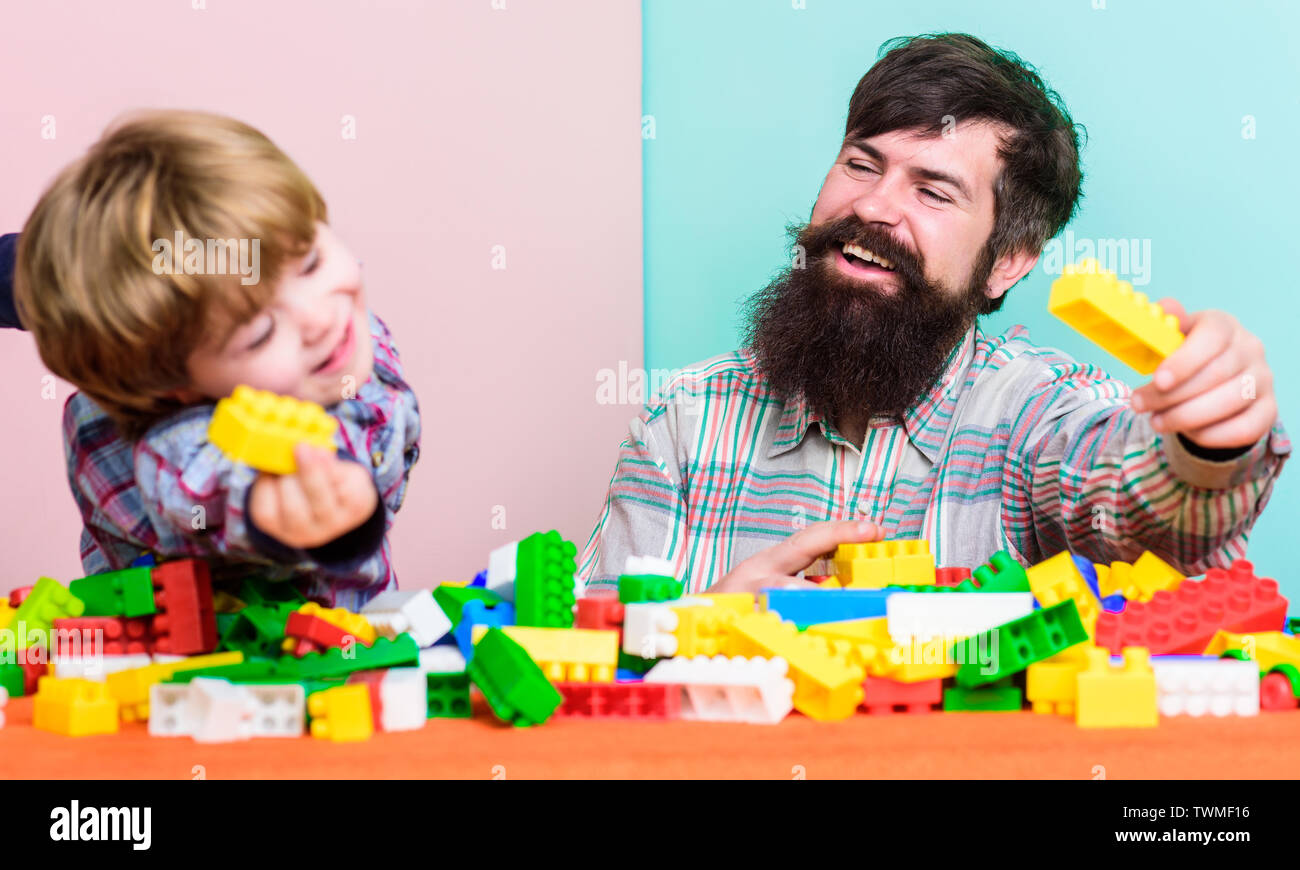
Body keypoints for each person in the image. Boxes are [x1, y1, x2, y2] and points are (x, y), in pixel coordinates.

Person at [578, 33, 1288, 596]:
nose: (873, 207)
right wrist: (695, 632)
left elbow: (1154, 513)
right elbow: (583, 687)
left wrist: (1210, 446)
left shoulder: (1034, 414)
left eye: (934, 192)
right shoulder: (685, 420)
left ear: (1008, 261)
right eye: (861, 163)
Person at [12, 110, 421, 608]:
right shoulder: (182, 446)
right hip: (231, 676)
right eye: (261, 332)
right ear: (174, 387)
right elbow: (209, 485)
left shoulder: (321, 329)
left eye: (310, 261)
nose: (319, 316)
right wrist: (281, 508)